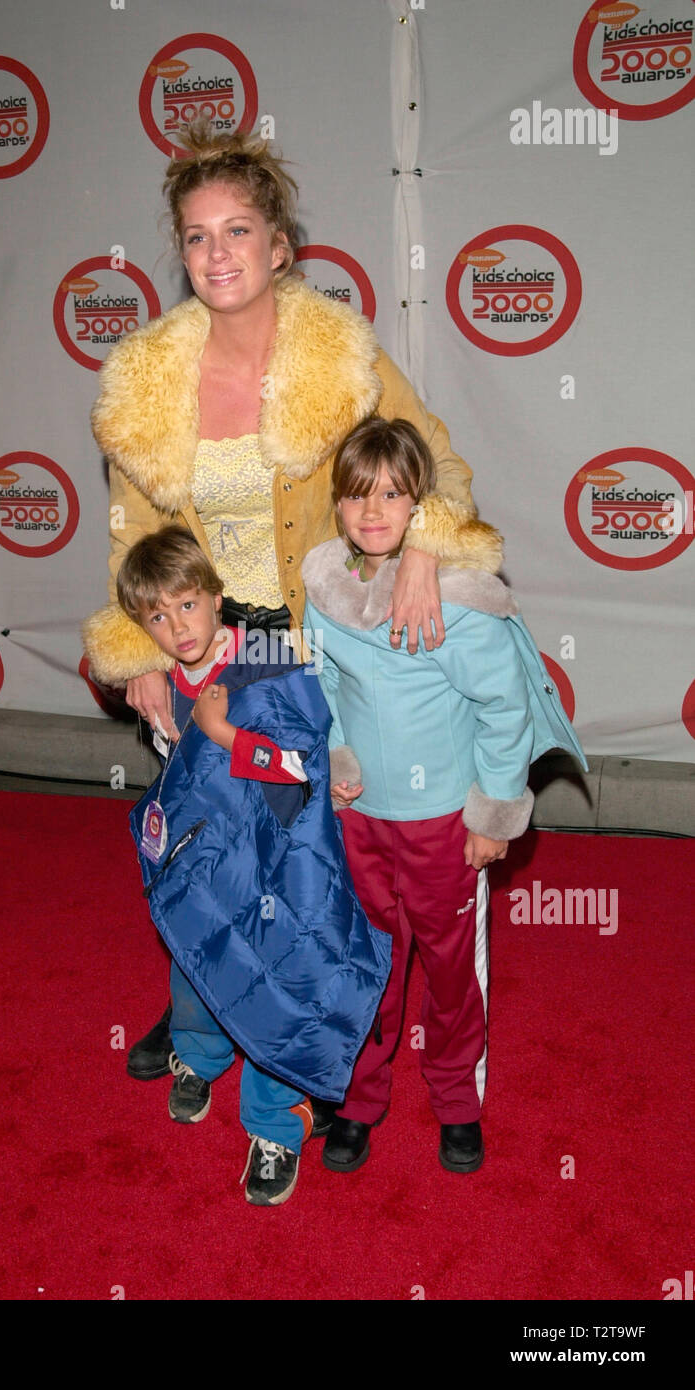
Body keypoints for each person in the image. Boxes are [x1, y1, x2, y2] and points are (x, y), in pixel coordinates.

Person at [82, 118, 484, 1087]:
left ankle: (312, 1030)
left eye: (237, 230)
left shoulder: (335, 355)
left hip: (313, 646)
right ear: (180, 252)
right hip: (201, 647)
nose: (217, 252)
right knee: (204, 847)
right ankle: (203, 1012)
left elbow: (439, 463)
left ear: (279, 245)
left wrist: (428, 546)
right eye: (197, 235)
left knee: (308, 857)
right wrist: (137, 654)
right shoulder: (147, 382)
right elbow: (133, 539)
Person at [301, 417, 588, 1175]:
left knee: (452, 971)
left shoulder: (456, 598)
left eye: (392, 494)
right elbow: (320, 683)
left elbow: (505, 709)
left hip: (442, 829)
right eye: (357, 496)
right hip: (359, 820)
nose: (372, 512)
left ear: (419, 504)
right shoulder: (325, 586)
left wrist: (494, 814)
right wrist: (334, 755)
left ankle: (456, 1101)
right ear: (336, 505)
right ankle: (360, 1101)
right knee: (365, 966)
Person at [117, 525, 391, 1205]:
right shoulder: (159, 685)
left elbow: (302, 764)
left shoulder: (264, 654)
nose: (178, 627)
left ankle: (276, 1125)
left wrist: (223, 733)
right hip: (211, 859)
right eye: (157, 616)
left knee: (279, 978)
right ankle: (200, 1057)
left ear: (215, 596)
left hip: (280, 854)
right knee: (196, 962)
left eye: (187, 605)